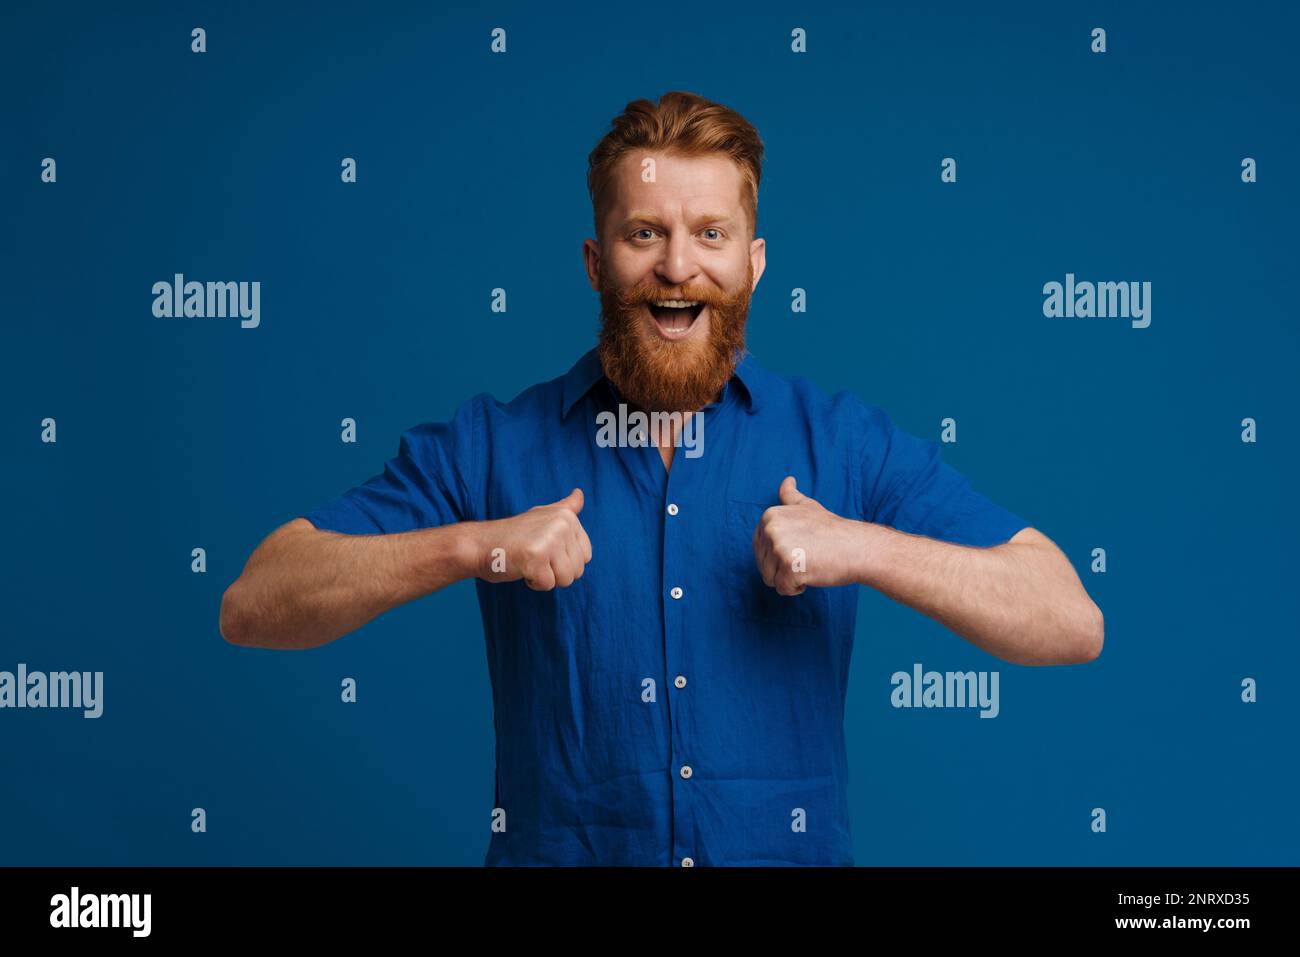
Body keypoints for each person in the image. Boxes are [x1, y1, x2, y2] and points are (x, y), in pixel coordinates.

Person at [220, 91, 1103, 866]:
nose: (678, 266)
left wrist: (862, 547)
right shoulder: (493, 445)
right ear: (597, 262)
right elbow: (256, 601)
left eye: (710, 234)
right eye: (646, 233)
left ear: (753, 265)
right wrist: (475, 544)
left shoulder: (843, 444)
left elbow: (1068, 618)